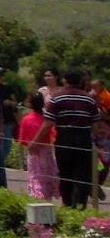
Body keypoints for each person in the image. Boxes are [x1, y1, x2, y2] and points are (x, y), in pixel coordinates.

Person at [46, 70, 102, 209]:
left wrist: (35, 141)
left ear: (65, 81)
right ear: (80, 82)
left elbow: (48, 123)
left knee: (66, 173)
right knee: (83, 173)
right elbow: (95, 126)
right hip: (83, 139)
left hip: (64, 138)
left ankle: (67, 203)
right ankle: (81, 205)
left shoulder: (57, 98)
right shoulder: (89, 99)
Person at [17, 91, 59, 201]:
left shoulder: (26, 119)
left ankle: (37, 198)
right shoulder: (46, 119)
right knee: (47, 175)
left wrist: (30, 143)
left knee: (35, 175)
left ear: (30, 104)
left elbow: (21, 140)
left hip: (33, 152)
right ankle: (47, 198)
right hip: (47, 151)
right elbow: (54, 134)